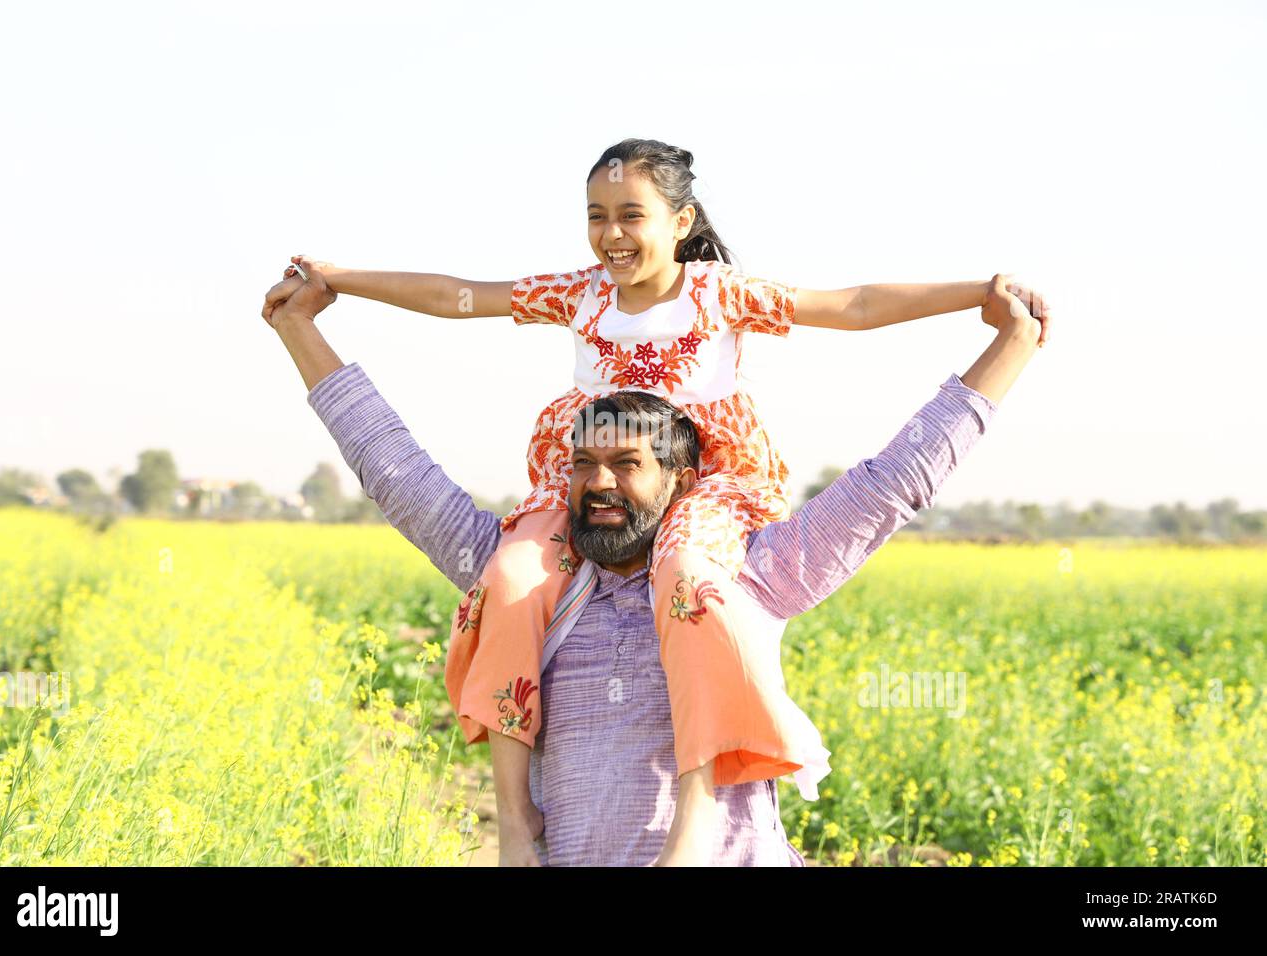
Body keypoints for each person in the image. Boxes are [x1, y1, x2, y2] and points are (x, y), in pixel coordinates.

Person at [270, 137, 1052, 865]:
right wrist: (334, 289)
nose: (611, 235)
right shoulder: (578, 305)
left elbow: (857, 333)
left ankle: (697, 815)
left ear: (681, 222)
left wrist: (990, 313)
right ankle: (514, 812)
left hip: (712, 490)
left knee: (688, 579)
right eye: (596, 217)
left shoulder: (750, 567)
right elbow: (445, 332)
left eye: (631, 215)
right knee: (504, 580)